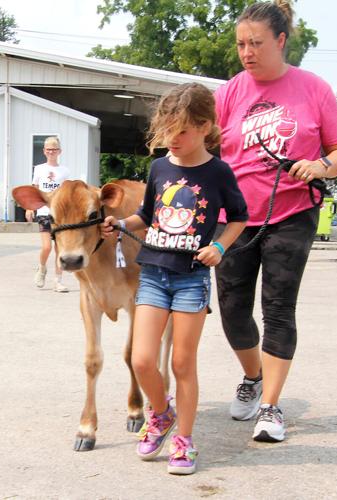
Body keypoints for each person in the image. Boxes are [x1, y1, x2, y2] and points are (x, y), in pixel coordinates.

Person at [214, 0, 337, 443]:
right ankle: (252, 377)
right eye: (240, 44)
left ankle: (271, 406)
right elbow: (205, 149)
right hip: (234, 218)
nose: (246, 52)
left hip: (292, 211)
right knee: (233, 310)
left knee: (277, 308)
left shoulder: (314, 89)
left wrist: (322, 167)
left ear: (280, 41)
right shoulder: (229, 92)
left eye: (255, 43)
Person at [101, 83, 248, 475]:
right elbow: (147, 216)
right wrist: (120, 224)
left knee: (183, 363)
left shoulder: (218, 172)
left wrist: (219, 247)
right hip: (153, 274)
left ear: (204, 126)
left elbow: (239, 217)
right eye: (167, 129)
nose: (173, 139)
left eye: (181, 130)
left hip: (191, 278)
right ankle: (161, 413)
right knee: (142, 359)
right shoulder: (160, 168)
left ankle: (184, 438)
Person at [26, 136, 70, 292]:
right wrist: (30, 207)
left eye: (54, 149)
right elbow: (34, 190)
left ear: (59, 151)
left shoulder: (64, 171)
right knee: (46, 247)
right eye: (48, 149)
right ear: (44, 151)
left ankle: (58, 281)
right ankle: (41, 268)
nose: (51, 152)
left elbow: (67, 193)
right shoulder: (39, 169)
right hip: (44, 212)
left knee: (60, 249)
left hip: (60, 214)